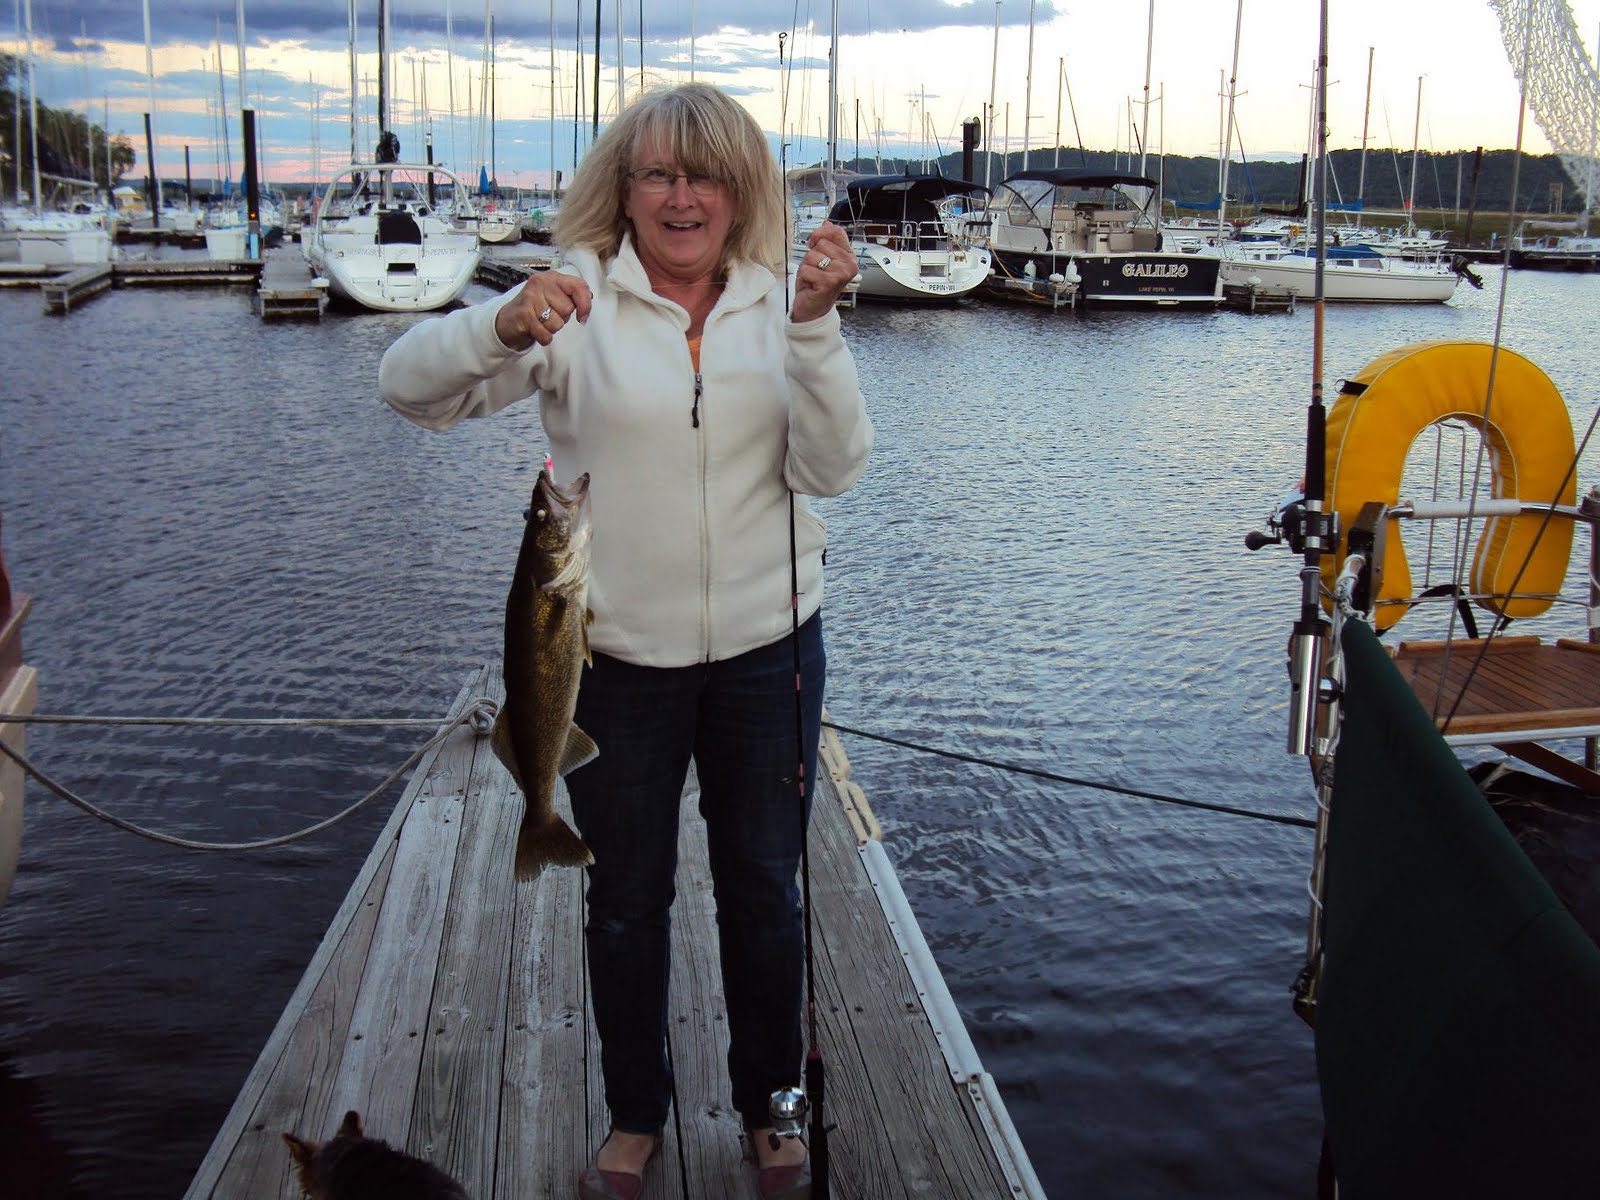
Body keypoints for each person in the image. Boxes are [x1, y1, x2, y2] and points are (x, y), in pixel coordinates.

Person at [378, 83, 871, 1200]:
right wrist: (500, 322)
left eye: (704, 175)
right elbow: (407, 390)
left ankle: (770, 1101)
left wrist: (816, 327)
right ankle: (635, 1108)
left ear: (741, 191)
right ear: (624, 187)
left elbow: (833, 470)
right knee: (626, 897)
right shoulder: (575, 302)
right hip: (618, 666)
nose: (681, 196)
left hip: (768, 652)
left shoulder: (779, 302)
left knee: (763, 887)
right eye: (657, 173)